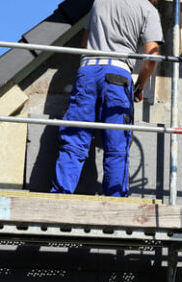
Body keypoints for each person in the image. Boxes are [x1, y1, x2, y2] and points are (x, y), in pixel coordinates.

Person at [51, 0, 164, 197]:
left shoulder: (99, 1)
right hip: (118, 74)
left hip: (87, 70)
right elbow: (152, 55)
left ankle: (59, 194)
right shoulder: (148, 9)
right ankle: (115, 201)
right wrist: (140, 85)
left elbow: (84, 42)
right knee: (116, 144)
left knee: (74, 138)